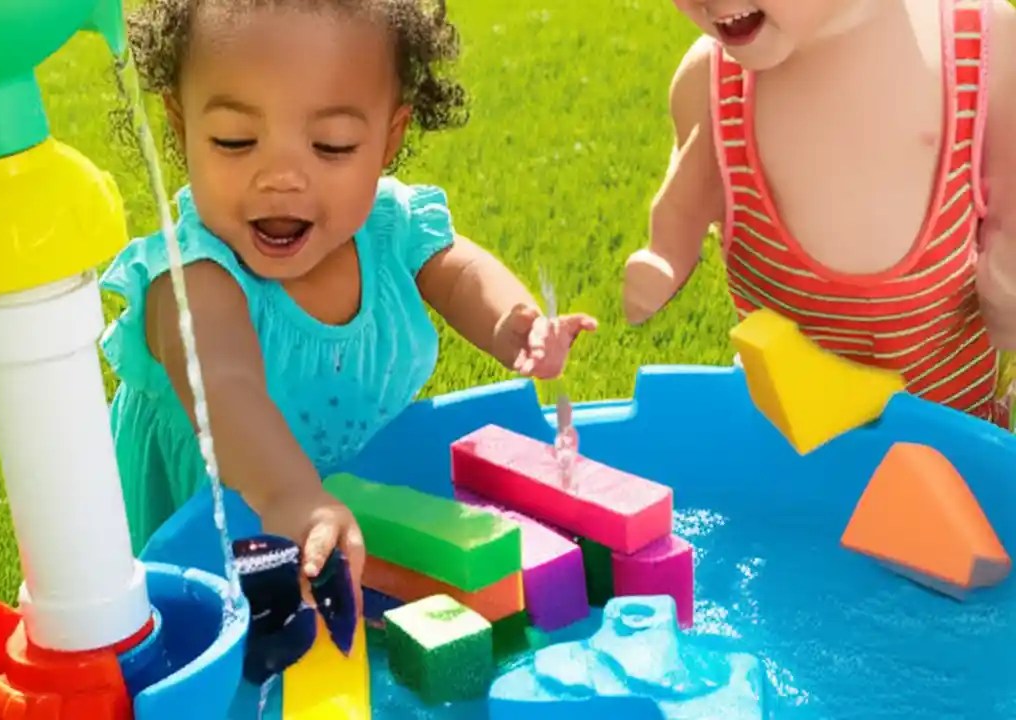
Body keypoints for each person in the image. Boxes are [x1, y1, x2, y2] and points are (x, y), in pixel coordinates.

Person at [101, 0, 596, 593]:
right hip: (213, 501)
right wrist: (290, 493)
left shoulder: (389, 230)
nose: (281, 176)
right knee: (210, 632)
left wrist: (513, 323)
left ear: (389, 138)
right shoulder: (191, 276)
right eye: (235, 140)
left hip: (338, 495)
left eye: (331, 145)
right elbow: (223, 382)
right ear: (181, 126)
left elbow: (461, 274)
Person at [623, 0, 1016, 429]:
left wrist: (1005, 271)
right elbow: (685, 198)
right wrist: (665, 256)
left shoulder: (980, 48)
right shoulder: (714, 82)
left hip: (949, 433)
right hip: (788, 424)